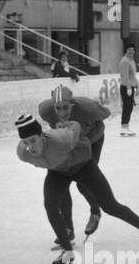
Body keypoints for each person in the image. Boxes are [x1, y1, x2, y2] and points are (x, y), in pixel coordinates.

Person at [16, 114, 139, 264]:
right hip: (58, 172)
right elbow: (33, 152)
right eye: (25, 142)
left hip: (82, 165)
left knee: (110, 206)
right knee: (50, 205)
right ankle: (67, 252)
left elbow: (76, 126)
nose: (30, 147)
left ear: (41, 136)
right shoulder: (23, 153)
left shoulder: (60, 138)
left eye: (33, 140)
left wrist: (68, 123)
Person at [39, 85, 109, 245]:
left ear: (72, 105)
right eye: (58, 108)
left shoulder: (87, 108)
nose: (62, 113)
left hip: (93, 139)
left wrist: (87, 129)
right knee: (62, 184)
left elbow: (106, 113)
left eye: (66, 107)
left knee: (83, 184)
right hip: (69, 141)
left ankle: (95, 212)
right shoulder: (46, 110)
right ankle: (68, 230)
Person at [118, 43, 139, 136]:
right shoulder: (125, 61)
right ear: (126, 51)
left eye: (132, 50)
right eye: (129, 50)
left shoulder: (131, 60)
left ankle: (126, 126)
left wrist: (137, 86)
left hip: (131, 86)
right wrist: (128, 88)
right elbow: (125, 75)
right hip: (126, 87)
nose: (131, 51)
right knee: (127, 107)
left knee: (129, 107)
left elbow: (133, 75)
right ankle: (123, 127)